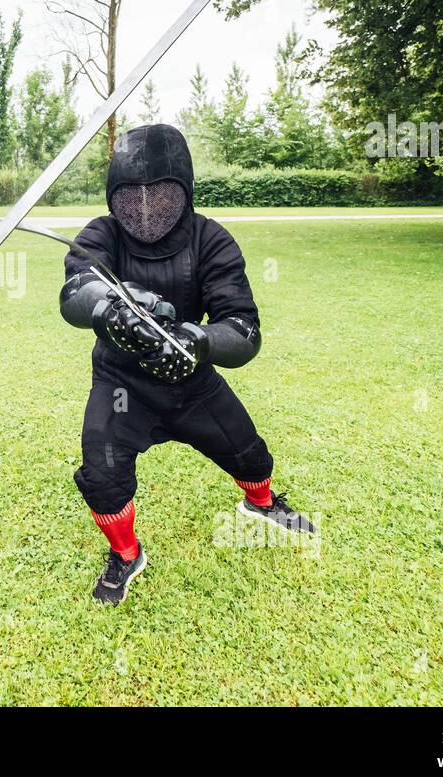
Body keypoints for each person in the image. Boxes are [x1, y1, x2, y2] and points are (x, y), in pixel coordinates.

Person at [59, 124, 315, 606]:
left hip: (191, 381)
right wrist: (110, 310)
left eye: (160, 194)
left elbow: (244, 328)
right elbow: (75, 289)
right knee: (102, 472)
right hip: (121, 382)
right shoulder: (102, 232)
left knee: (249, 453)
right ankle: (126, 554)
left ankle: (260, 504)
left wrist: (197, 339)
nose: (146, 207)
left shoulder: (211, 239)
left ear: (184, 190)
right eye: (131, 195)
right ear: (114, 194)